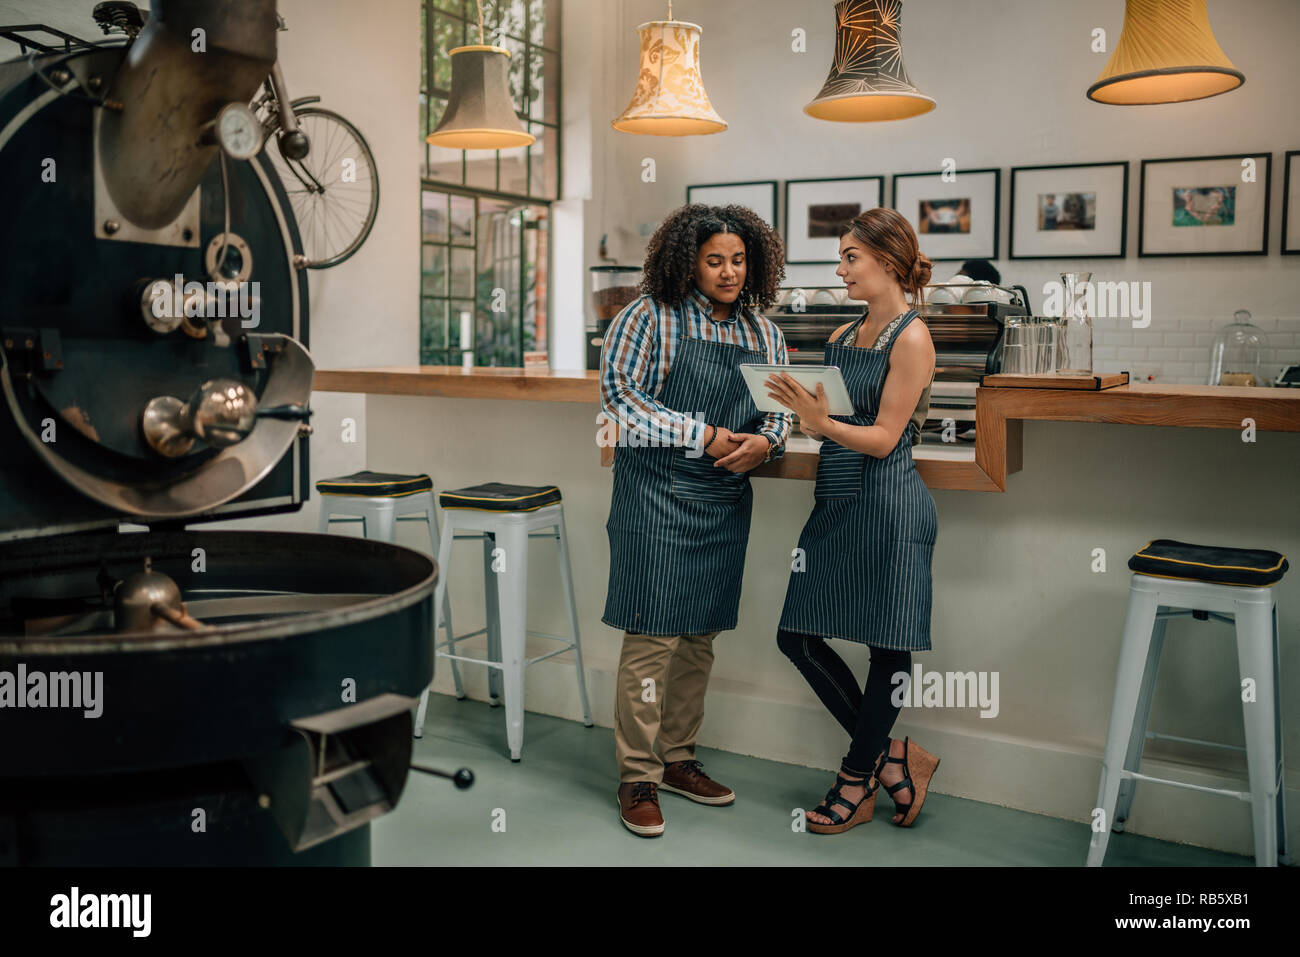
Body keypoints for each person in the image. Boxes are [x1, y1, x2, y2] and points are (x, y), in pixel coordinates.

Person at [600, 204, 793, 838]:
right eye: (715, 261)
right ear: (688, 260)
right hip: (655, 493)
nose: (729, 272)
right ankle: (637, 775)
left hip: (723, 494)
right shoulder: (646, 317)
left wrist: (768, 442)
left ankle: (678, 759)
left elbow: (782, 407)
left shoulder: (763, 333)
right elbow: (621, 398)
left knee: (700, 636)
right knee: (653, 636)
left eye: (739, 261)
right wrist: (702, 433)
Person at [765, 206, 941, 835]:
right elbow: (840, 418)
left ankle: (853, 779)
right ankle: (891, 758)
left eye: (850, 257)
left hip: (889, 503)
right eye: (842, 257)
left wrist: (818, 422)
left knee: (886, 647)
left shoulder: (913, 338)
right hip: (837, 498)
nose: (840, 269)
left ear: (887, 262)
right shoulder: (843, 336)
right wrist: (795, 403)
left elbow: (887, 438)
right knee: (798, 635)